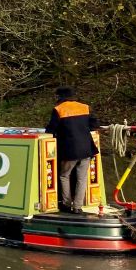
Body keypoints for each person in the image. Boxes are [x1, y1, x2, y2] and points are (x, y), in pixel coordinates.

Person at [45, 85, 99, 213]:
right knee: (82, 178)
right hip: (86, 149)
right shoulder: (84, 107)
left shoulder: (59, 109)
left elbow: (51, 129)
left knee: (64, 176)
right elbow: (94, 124)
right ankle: (77, 207)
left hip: (69, 150)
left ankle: (66, 204)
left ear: (59, 97)